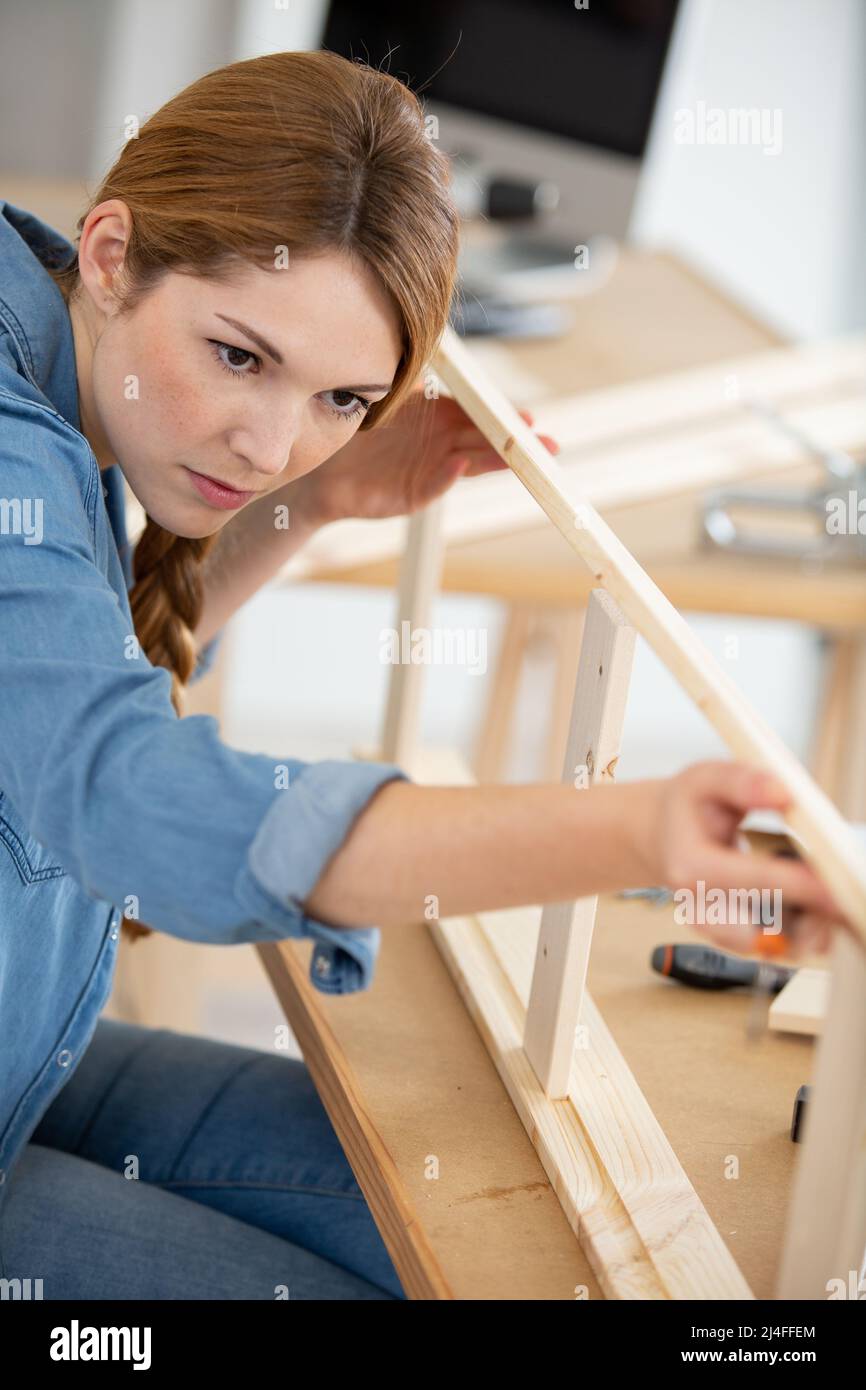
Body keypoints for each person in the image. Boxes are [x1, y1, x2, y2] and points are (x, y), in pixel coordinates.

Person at [0, 49, 842, 1301]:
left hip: (34, 1051)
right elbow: (116, 791)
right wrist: (639, 828)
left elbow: (67, 675)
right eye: (239, 357)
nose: (272, 445)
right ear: (114, 250)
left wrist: (319, 507)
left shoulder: (76, 348)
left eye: (342, 396)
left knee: (512, 1255)